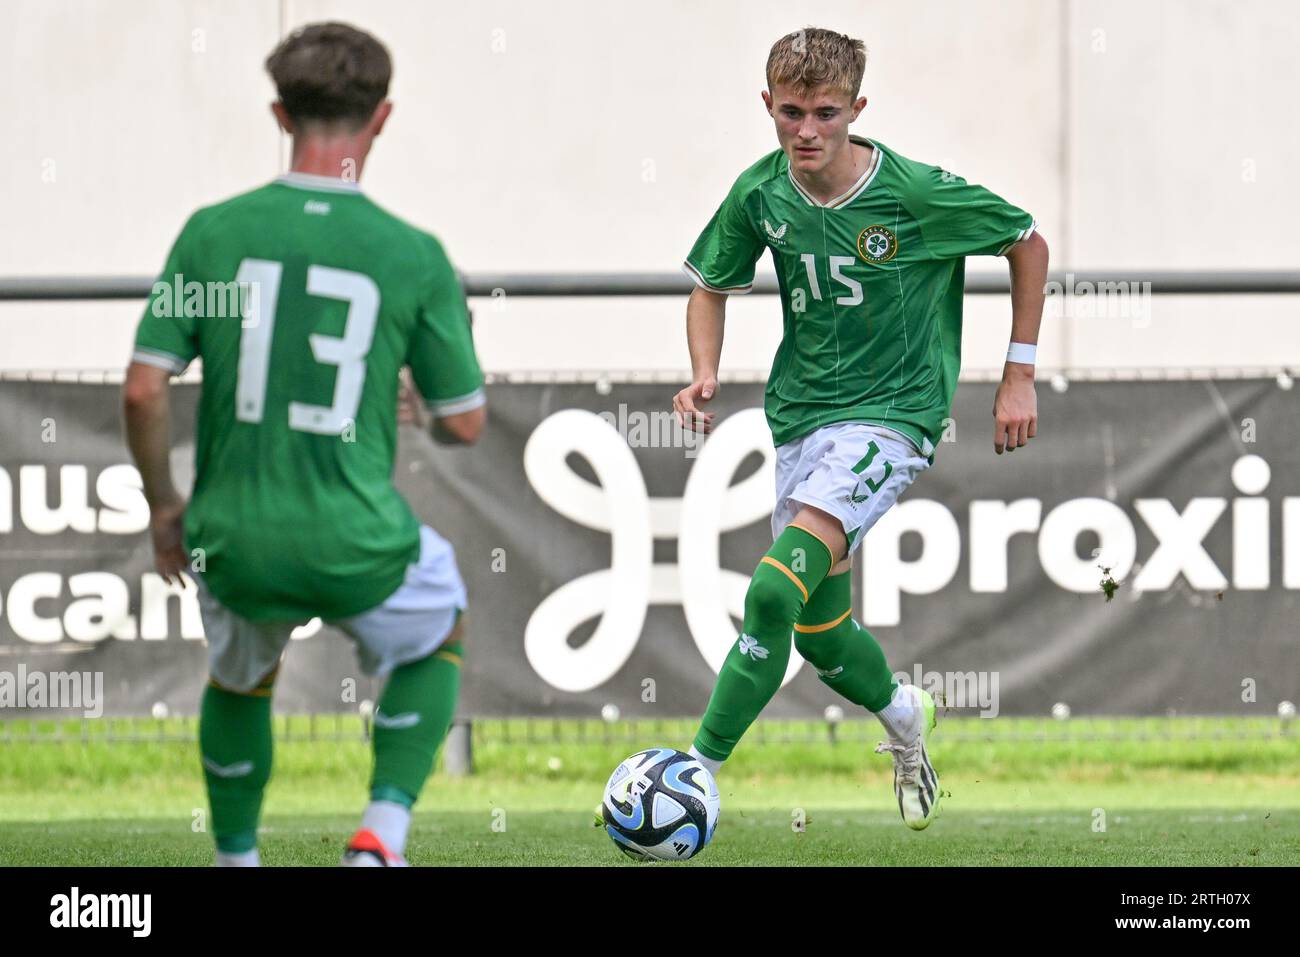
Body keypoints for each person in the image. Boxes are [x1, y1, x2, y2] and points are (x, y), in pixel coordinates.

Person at [123, 22, 486, 866]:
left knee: (241, 677)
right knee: (441, 629)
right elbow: (463, 422)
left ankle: (237, 856)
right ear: (383, 118)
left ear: (279, 112)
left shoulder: (214, 232)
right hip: (356, 538)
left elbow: (144, 387)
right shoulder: (411, 253)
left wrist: (165, 507)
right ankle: (381, 835)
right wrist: (414, 401)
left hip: (232, 537)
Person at [673, 27, 1048, 830]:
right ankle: (906, 717)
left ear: (856, 110)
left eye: (824, 113)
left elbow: (1025, 239)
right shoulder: (760, 193)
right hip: (801, 418)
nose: (806, 131)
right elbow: (710, 284)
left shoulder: (911, 193)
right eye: (790, 113)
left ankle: (694, 773)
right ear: (767, 106)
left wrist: (1019, 371)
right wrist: (704, 369)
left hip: (894, 416)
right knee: (817, 631)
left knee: (771, 588)